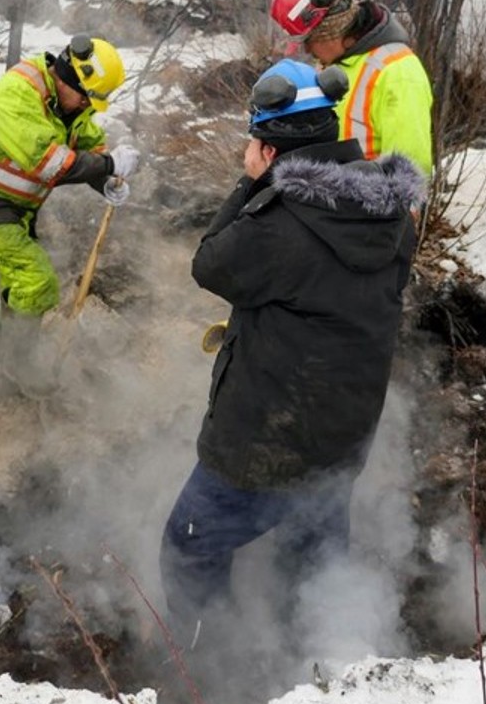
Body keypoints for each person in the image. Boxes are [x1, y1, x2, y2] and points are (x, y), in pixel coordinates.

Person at [160, 58, 424, 640]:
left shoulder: (276, 226)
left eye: (255, 147)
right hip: (344, 431)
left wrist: (252, 184)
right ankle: (316, 660)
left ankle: (204, 662)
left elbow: (210, 264)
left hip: (268, 439)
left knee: (189, 545)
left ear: (270, 150)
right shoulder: (390, 212)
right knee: (313, 557)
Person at [0, 35, 139, 361]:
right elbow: (50, 164)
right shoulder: (16, 96)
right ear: (67, 77)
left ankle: (9, 341)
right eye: (87, 98)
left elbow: (88, 143)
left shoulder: (67, 102)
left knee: (22, 281)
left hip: (16, 206)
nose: (88, 107)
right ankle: (16, 364)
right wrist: (109, 164)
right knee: (35, 281)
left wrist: (105, 181)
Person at [269, 0, 434, 176]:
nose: (308, 51)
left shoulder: (397, 71)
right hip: (331, 194)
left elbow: (410, 172)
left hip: (368, 196)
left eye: (309, 42)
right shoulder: (334, 65)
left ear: (330, 31)